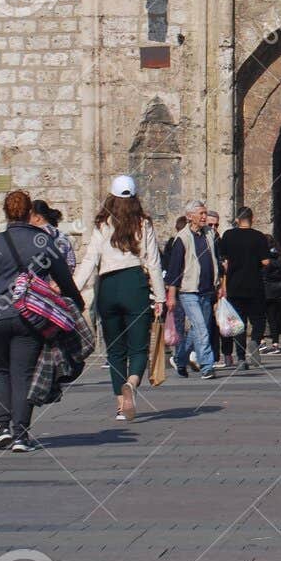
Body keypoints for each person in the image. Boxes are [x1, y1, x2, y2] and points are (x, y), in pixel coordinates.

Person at [0, 190, 86, 452]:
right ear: (30, 212)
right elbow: (64, 278)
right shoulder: (43, 241)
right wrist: (77, 302)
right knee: (23, 374)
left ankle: (1, 428)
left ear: (6, 213)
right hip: (27, 316)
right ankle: (20, 435)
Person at [74, 176, 164, 421]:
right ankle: (132, 385)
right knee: (138, 348)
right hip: (134, 284)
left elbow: (90, 260)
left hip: (108, 286)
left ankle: (119, 407)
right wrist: (160, 298)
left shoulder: (103, 223)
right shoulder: (143, 223)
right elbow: (153, 262)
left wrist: (72, 289)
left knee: (115, 350)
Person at [165, 201, 223, 378]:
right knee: (202, 329)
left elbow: (216, 259)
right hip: (188, 291)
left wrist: (219, 284)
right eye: (201, 213)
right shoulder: (181, 239)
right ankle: (207, 366)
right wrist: (172, 296)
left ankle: (180, 359)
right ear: (190, 216)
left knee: (199, 329)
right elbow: (174, 269)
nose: (204, 216)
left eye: (205, 213)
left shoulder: (210, 235)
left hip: (207, 290)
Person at [221, 207, 272, 371]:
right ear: (253, 218)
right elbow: (266, 262)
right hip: (254, 284)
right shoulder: (259, 237)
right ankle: (256, 340)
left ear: (237, 219)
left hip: (234, 285)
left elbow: (225, 262)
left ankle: (241, 358)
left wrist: (223, 284)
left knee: (239, 324)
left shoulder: (228, 235)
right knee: (258, 319)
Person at [261, 236, 281, 355]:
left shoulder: (264, 258)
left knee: (260, 317)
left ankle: (261, 341)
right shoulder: (280, 256)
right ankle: (276, 344)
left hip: (264, 290)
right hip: (277, 290)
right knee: (273, 319)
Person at [30, 200, 76, 270]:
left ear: (37, 217)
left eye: (28, 216)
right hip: (61, 279)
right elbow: (71, 264)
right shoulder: (62, 236)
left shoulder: (33, 236)